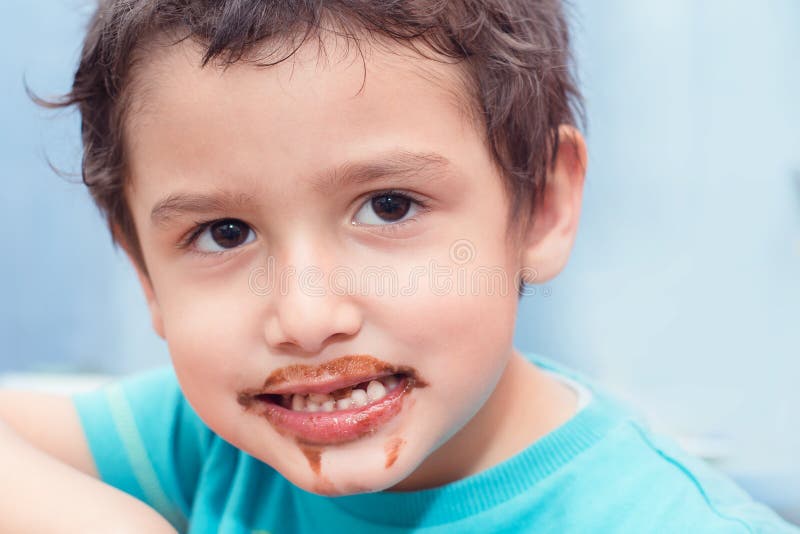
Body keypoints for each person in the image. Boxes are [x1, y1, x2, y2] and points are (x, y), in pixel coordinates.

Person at [0, 0, 797, 532]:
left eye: (389, 207)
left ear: (542, 206)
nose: (308, 319)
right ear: (144, 273)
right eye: (225, 232)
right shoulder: (208, 444)